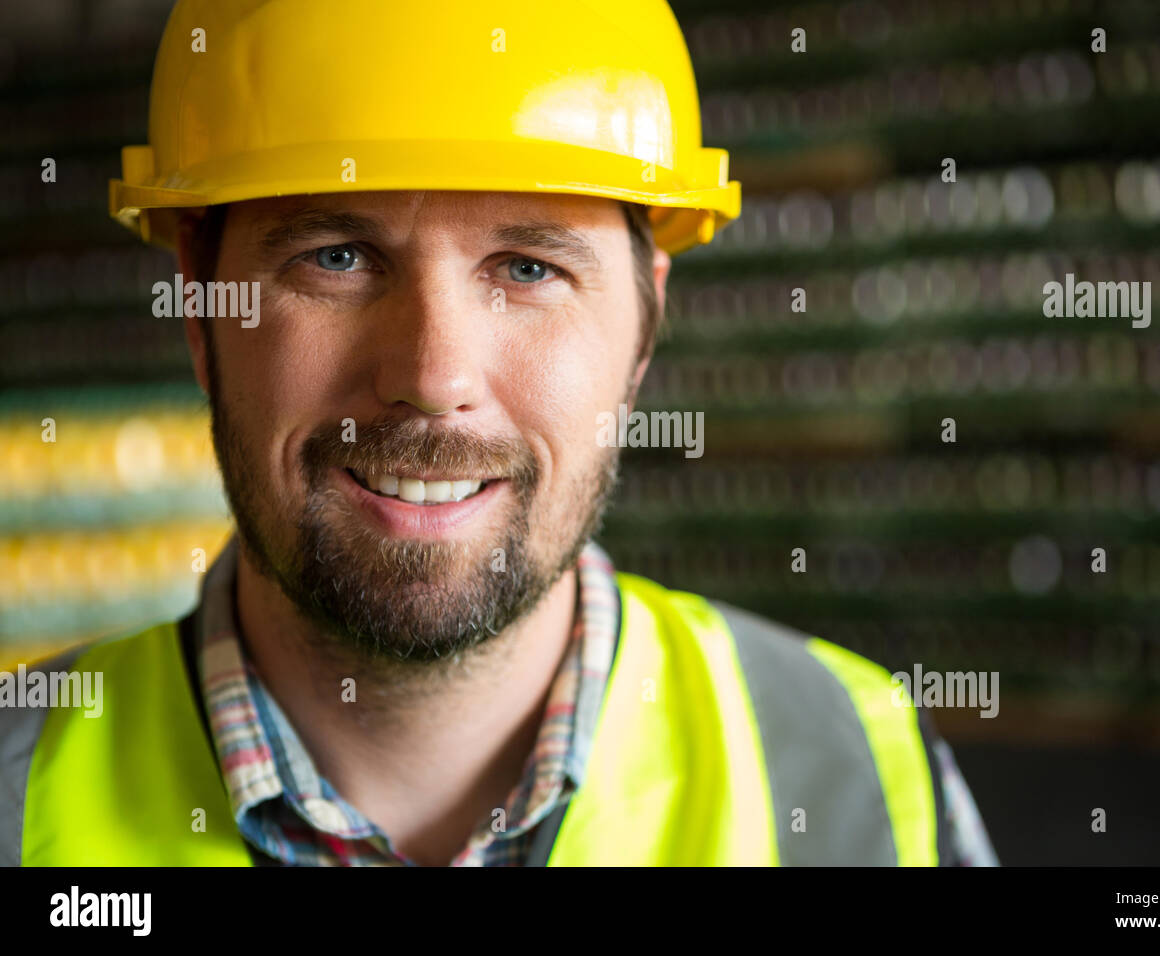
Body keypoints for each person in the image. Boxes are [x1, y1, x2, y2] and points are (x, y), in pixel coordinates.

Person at [0, 0, 997, 866]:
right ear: (199, 308)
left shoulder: (858, 775)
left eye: (527, 268)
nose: (433, 379)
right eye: (337, 257)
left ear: (644, 327)